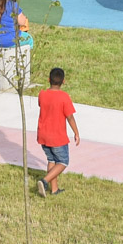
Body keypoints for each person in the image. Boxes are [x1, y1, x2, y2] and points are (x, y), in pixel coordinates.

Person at [35, 67, 82, 197]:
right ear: (63, 81)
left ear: (48, 79)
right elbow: (70, 117)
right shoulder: (64, 97)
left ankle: (54, 190)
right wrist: (76, 132)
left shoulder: (42, 94)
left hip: (43, 134)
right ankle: (44, 181)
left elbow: (41, 105)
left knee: (51, 160)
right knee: (62, 162)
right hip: (57, 137)